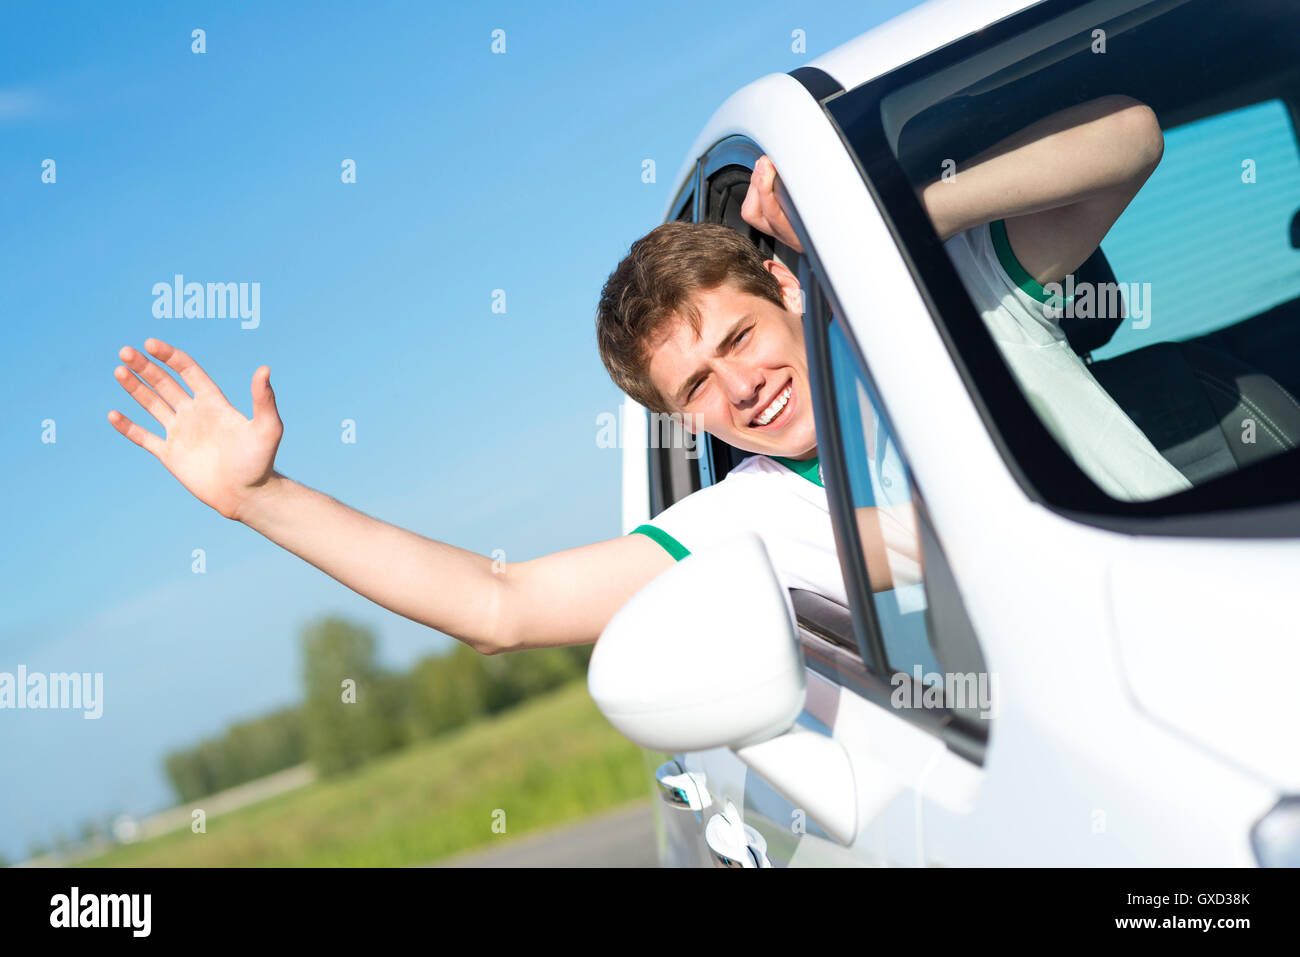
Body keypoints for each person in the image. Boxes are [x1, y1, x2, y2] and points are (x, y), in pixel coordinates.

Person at [107, 95, 1183, 656]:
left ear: (790, 288)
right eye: (695, 393)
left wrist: (873, 229)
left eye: (736, 340)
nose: (737, 389)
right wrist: (261, 500)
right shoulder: (749, 521)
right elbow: (501, 603)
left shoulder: (954, 304)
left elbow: (1129, 139)